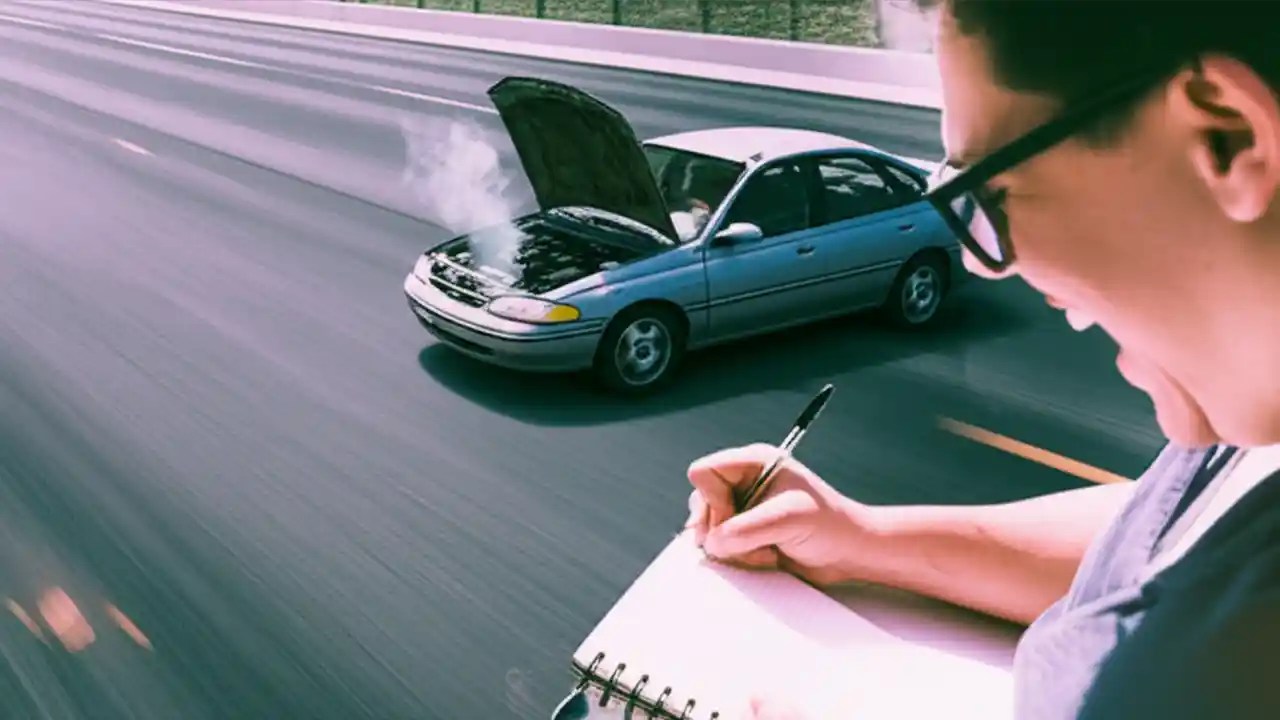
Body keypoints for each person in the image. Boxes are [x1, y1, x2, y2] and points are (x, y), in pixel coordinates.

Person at [684, 1, 1280, 718]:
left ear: (1225, 137)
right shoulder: (1248, 430)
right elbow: (1172, 534)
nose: (986, 262)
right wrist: (863, 537)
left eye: (988, 191)